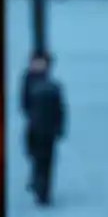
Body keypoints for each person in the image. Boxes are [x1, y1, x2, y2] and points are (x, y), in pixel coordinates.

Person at [20, 52, 65, 206]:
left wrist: (59, 127)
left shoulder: (53, 87)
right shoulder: (29, 81)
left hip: (48, 129)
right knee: (36, 157)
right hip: (35, 127)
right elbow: (24, 104)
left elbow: (60, 110)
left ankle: (44, 191)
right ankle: (38, 185)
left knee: (46, 161)